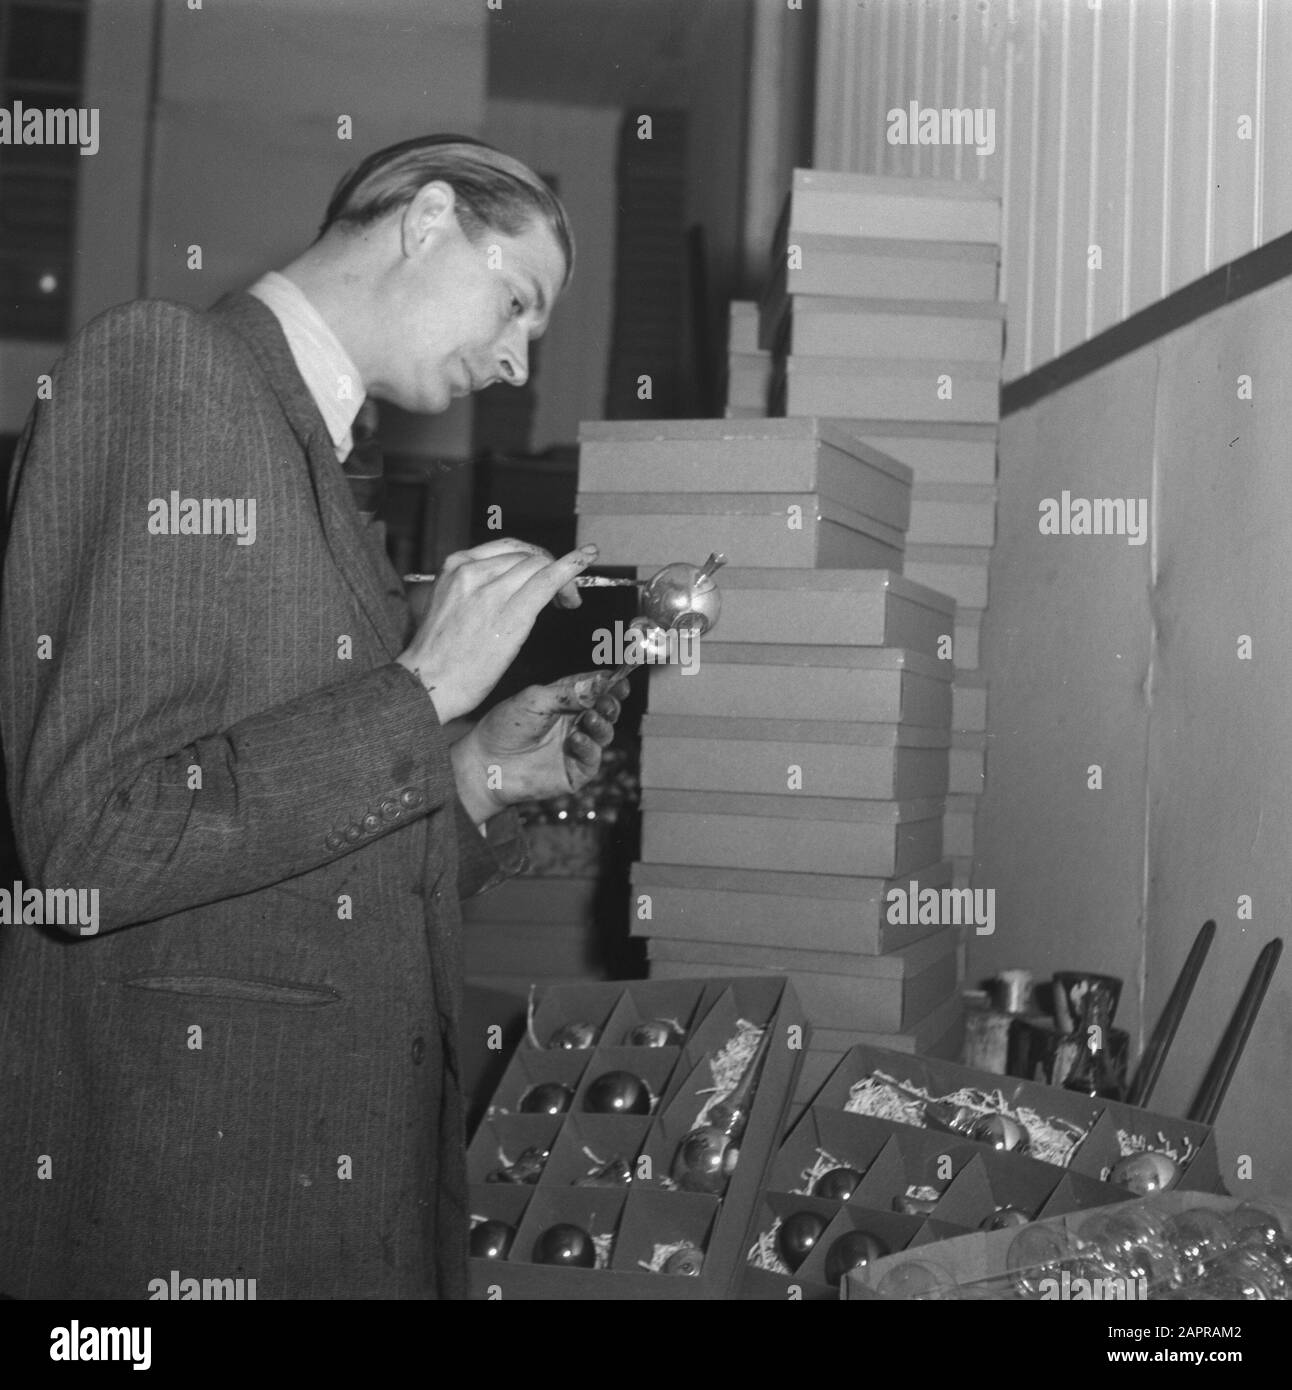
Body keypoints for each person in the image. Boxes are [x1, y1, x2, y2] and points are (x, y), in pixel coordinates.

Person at [0, 135, 627, 1299]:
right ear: (428, 218)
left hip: (301, 1177)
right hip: (194, 1187)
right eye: (515, 305)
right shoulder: (172, 369)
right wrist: (423, 690)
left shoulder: (311, 457)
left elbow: (288, 845)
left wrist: (467, 775)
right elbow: (93, 840)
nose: (512, 363)